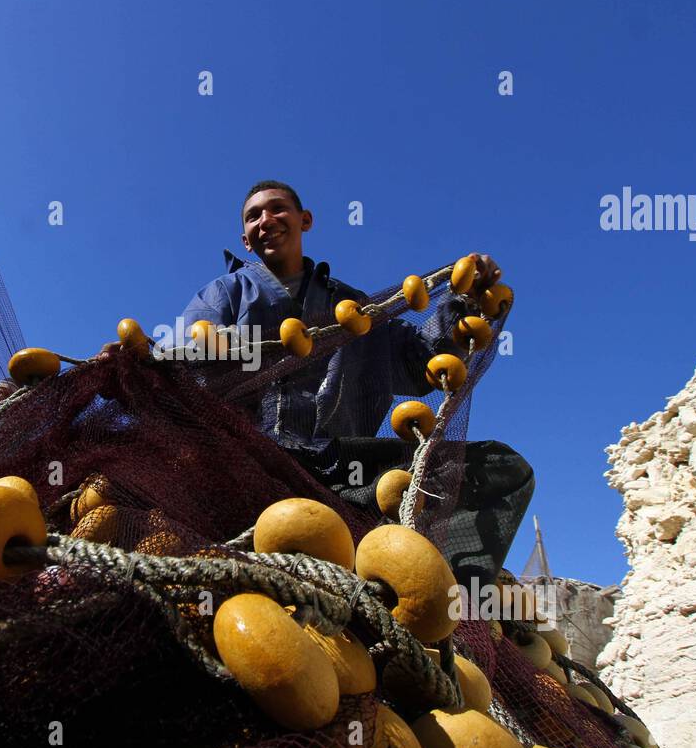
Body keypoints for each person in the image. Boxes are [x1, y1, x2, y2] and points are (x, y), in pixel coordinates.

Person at [107, 180, 533, 583]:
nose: (266, 220)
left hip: (342, 471)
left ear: (305, 220)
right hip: (243, 458)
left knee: (502, 469)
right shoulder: (225, 293)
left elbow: (423, 363)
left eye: (277, 208)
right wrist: (135, 365)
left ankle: (433, 597)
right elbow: (183, 358)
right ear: (245, 240)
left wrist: (463, 302)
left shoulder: (357, 309)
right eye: (253, 216)